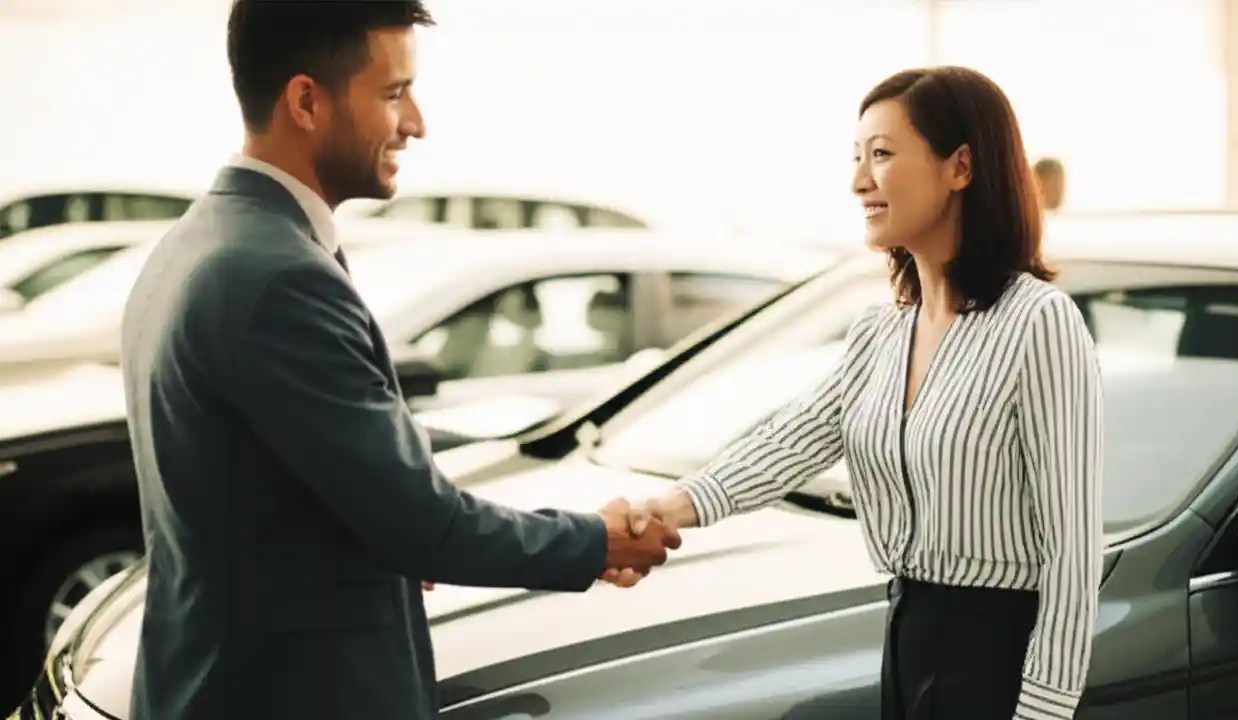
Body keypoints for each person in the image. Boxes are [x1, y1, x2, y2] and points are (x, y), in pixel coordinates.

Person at [119, 3, 679, 719]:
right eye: (393, 93)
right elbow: (425, 527)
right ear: (306, 101)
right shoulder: (278, 275)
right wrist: (596, 542)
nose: (415, 123)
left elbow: (265, 489)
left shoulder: (199, 242)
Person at [624, 66, 1103, 719]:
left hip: (997, 657)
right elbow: (788, 442)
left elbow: (1072, 548)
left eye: (880, 154)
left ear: (960, 166)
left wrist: (1044, 710)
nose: (858, 182)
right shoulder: (881, 332)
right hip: (907, 635)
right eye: (856, 158)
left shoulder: (1038, 322)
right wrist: (669, 508)